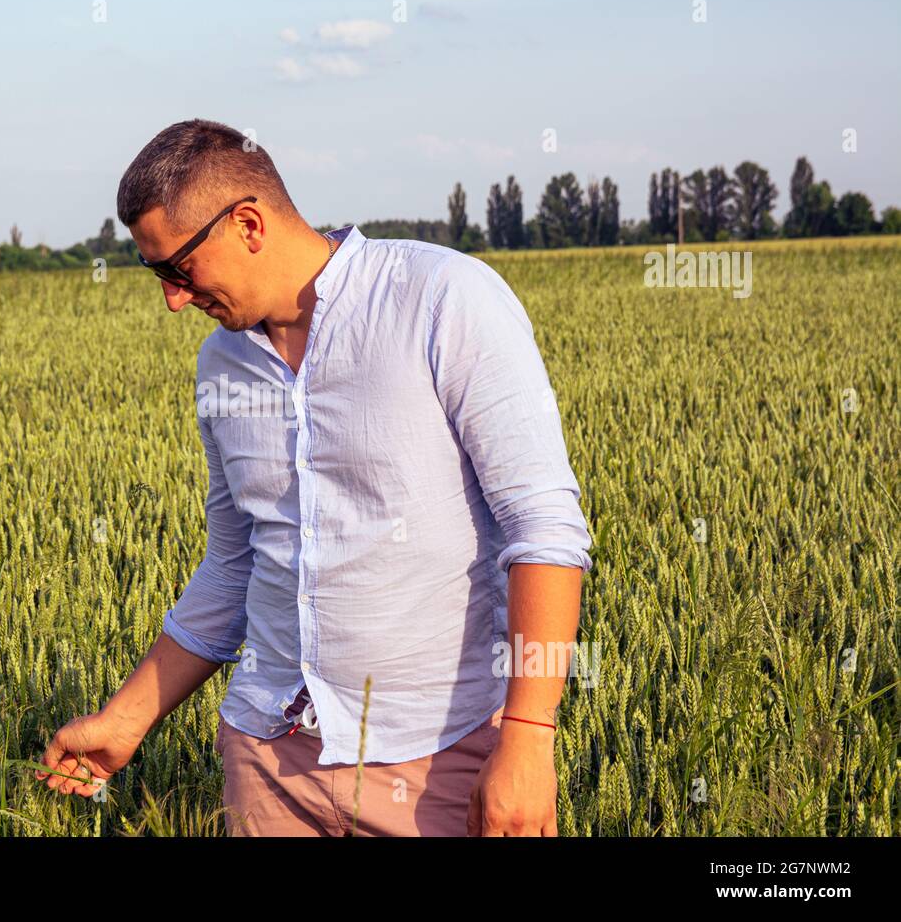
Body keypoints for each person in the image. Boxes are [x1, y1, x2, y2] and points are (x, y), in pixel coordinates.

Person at [37, 118, 593, 836]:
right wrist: (126, 719)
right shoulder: (223, 366)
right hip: (265, 761)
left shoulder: (442, 298)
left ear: (246, 224)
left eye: (177, 269)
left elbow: (543, 527)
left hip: (437, 760)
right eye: (157, 277)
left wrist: (527, 732)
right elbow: (235, 564)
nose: (172, 299)